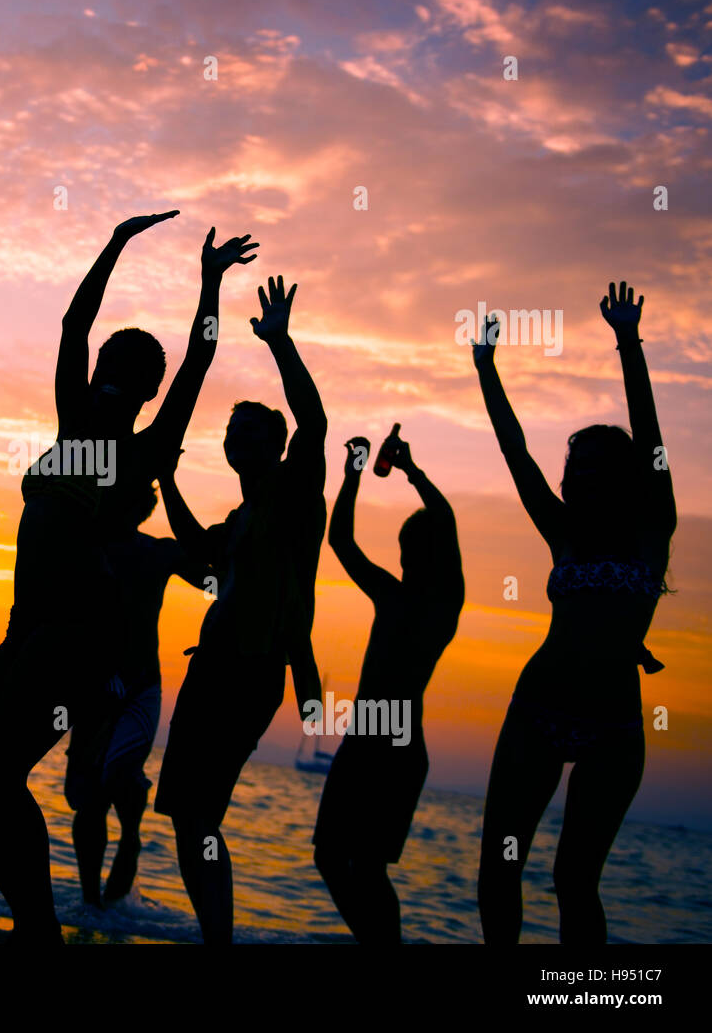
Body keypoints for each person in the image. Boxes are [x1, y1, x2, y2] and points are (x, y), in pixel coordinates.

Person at [0, 212, 258, 941]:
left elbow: (199, 364)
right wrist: (115, 245)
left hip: (76, 639)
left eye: (135, 374)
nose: (115, 377)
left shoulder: (145, 454)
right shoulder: (69, 427)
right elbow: (71, 324)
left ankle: (38, 927)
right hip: (26, 629)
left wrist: (209, 285)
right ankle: (37, 922)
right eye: (110, 364)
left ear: (146, 392)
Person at [473, 284, 676, 944]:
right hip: (539, 708)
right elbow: (514, 453)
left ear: (622, 477)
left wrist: (626, 339)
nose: (579, 474)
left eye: (594, 465)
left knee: (574, 881)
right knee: (500, 862)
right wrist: (484, 367)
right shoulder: (562, 531)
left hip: (614, 727)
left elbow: (651, 441)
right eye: (573, 465)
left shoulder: (652, 532)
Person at [155, 275, 327, 944]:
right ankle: (215, 936)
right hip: (210, 669)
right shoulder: (239, 516)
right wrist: (167, 480)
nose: (240, 439)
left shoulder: (292, 493)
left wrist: (280, 342)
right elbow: (200, 563)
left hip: (249, 673)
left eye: (253, 432)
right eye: (234, 431)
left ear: (275, 446)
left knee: (199, 814)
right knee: (186, 817)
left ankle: (219, 940)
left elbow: (314, 423)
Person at [313, 435, 464, 943]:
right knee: (330, 857)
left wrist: (410, 470)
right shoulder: (390, 593)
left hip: (398, 748)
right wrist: (353, 472)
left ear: (435, 556)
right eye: (403, 550)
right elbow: (341, 544)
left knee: (369, 866)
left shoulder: (443, 606)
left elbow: (443, 516)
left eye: (414, 551)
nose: (404, 558)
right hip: (363, 742)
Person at [65, 481, 206, 908]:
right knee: (85, 798)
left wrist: (223, 631)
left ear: (143, 507)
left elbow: (214, 580)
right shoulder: (89, 546)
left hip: (140, 687)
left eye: (133, 502)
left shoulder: (159, 551)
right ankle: (92, 905)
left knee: (111, 788)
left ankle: (129, 843)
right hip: (93, 686)